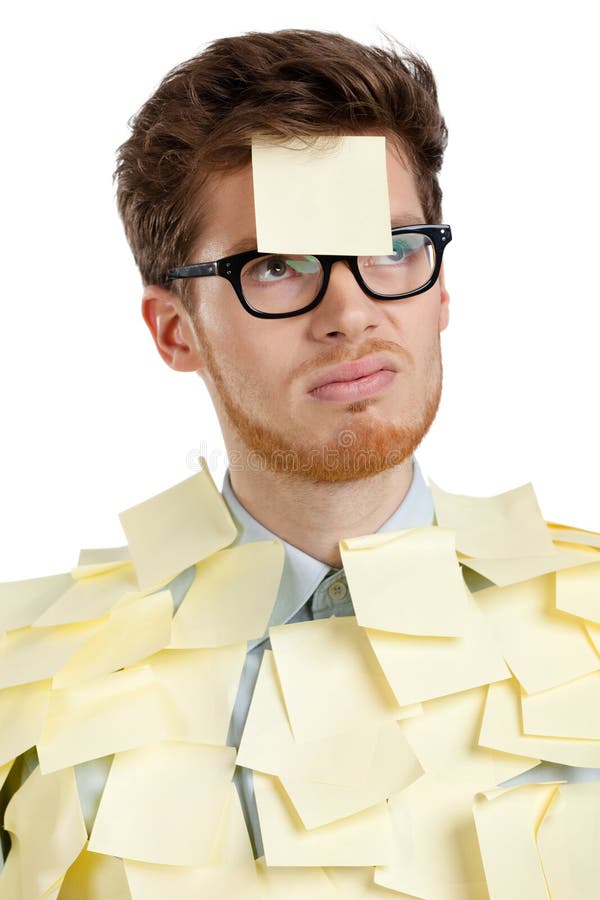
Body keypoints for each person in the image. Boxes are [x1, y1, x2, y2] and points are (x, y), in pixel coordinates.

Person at [1, 27, 598, 896]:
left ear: (439, 289)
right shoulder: (20, 678)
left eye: (392, 250)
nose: (352, 313)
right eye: (277, 266)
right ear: (176, 329)